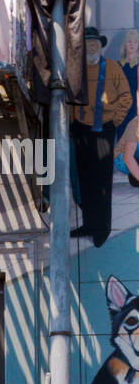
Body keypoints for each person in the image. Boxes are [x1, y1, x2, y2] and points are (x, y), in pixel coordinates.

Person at [70, 28, 132, 246]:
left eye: (95, 43)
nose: (92, 47)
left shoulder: (113, 68)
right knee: (85, 179)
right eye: (88, 43)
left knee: (102, 180)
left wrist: (114, 120)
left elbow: (126, 97)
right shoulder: (76, 71)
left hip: (104, 130)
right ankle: (89, 224)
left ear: (100, 45)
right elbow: (68, 97)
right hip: (81, 131)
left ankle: (103, 229)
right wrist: (72, 121)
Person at [118, 28, 139, 141]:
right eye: (129, 41)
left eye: (135, 42)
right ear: (124, 44)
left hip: (136, 112)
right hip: (122, 113)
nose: (132, 45)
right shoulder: (117, 66)